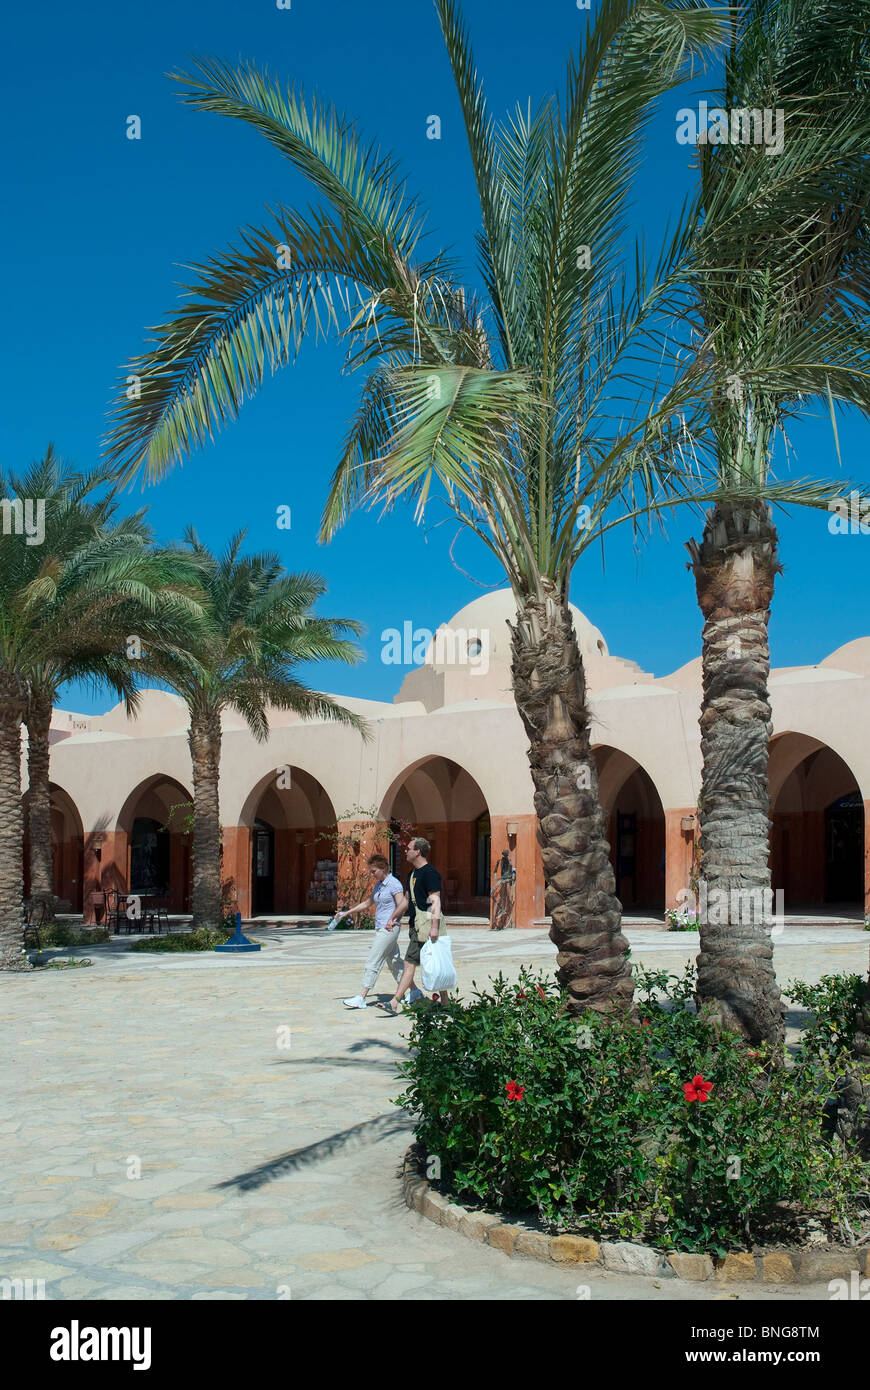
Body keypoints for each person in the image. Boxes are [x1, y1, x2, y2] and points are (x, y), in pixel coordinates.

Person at [339, 855, 422, 1009]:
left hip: (389, 929)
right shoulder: (379, 885)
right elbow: (368, 903)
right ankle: (415, 992)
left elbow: (402, 905)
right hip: (381, 928)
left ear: (383, 869)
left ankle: (362, 997)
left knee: (374, 959)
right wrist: (347, 912)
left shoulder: (394, 884)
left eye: (374, 871)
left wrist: (392, 919)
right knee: (395, 963)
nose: (372, 874)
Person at [378, 836, 447, 1014]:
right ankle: (445, 1003)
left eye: (409, 848)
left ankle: (395, 1002)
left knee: (410, 963)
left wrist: (434, 927)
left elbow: (435, 900)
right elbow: (407, 901)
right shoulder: (412, 874)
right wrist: (393, 917)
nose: (405, 851)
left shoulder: (430, 873)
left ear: (418, 852)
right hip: (416, 925)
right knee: (434, 962)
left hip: (426, 925)